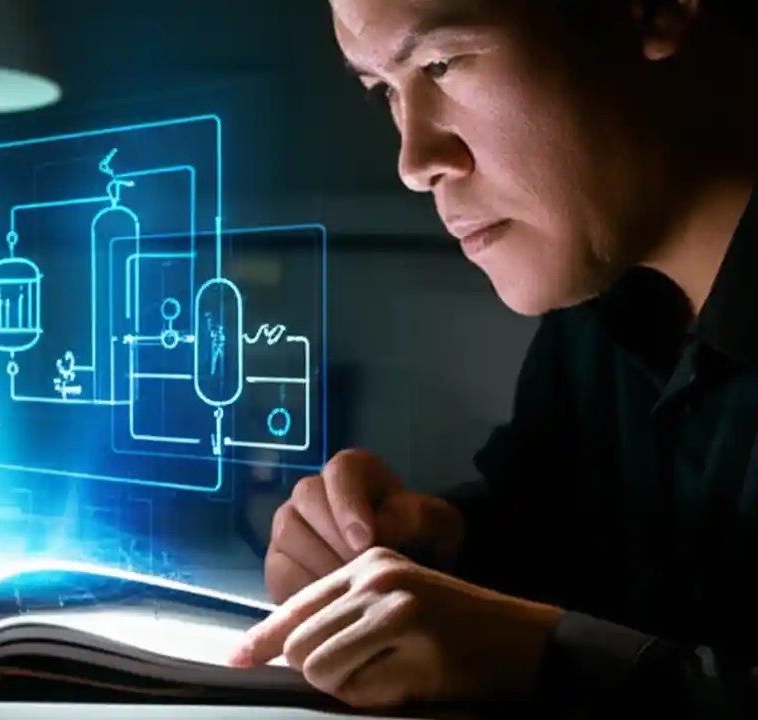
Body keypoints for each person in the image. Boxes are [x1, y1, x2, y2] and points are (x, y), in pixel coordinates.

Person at [228, 0, 758, 717]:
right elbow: (558, 532)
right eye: (384, 89)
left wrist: (537, 657)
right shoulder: (600, 319)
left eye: (441, 63)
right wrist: (431, 540)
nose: (414, 163)